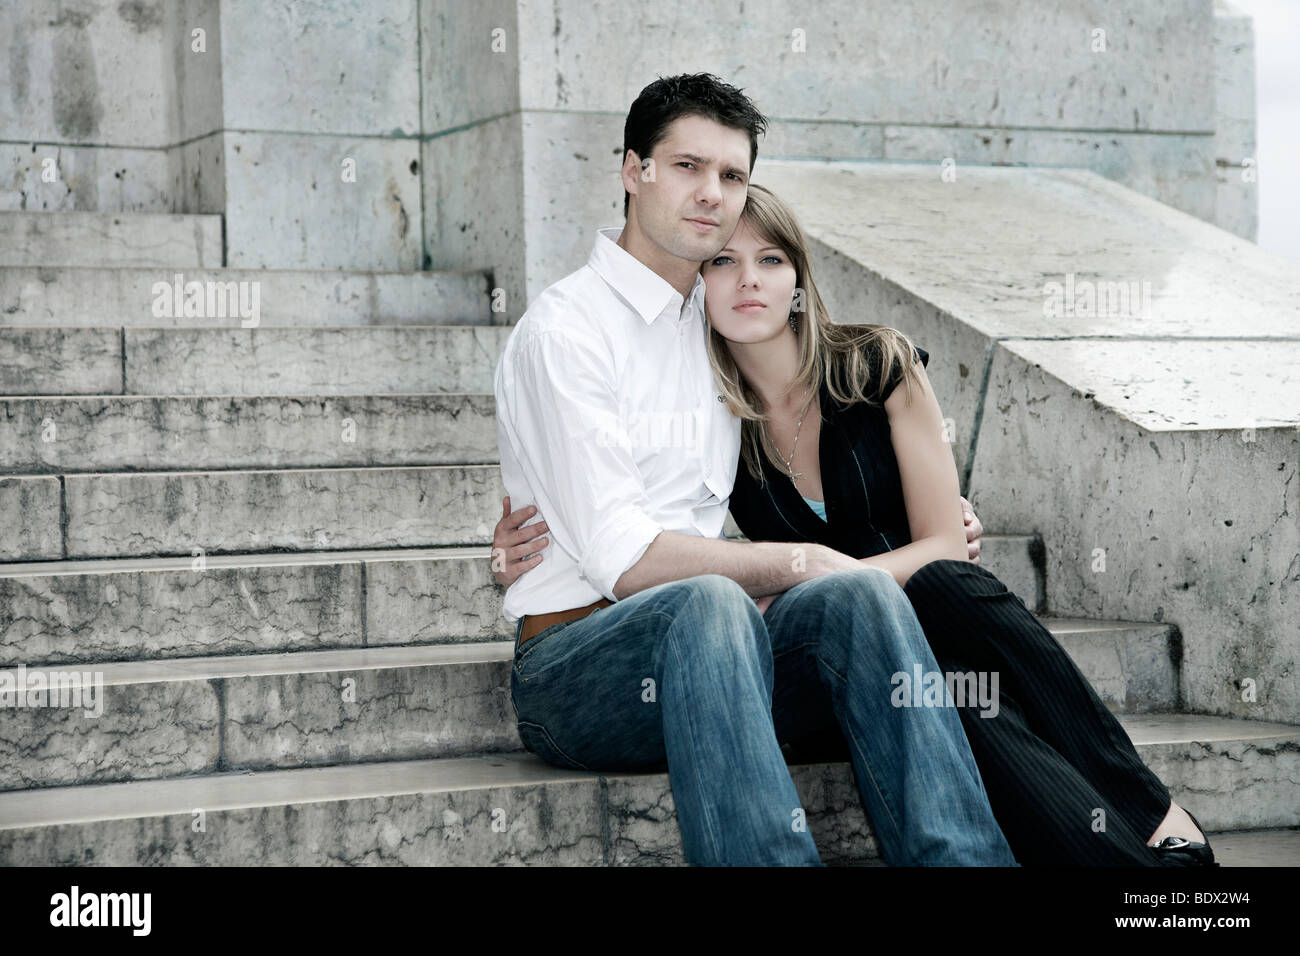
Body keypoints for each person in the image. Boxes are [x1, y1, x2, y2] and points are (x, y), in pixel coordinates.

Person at [495, 178, 1218, 868]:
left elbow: (942, 548)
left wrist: (816, 572)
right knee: (954, 698)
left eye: (770, 260)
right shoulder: (720, 412)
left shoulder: (877, 364)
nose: (748, 279)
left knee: (940, 595)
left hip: (906, 608)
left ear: (799, 281)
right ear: (699, 285)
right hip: (835, 636)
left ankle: (1147, 818)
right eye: (724, 262)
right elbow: (607, 505)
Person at [492, 72, 1016, 866]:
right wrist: (799, 561)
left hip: (725, 654)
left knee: (856, 598)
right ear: (632, 171)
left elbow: (813, 424)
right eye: (686, 167)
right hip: (579, 670)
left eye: (731, 175)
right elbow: (623, 556)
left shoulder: (710, 329)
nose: (711, 193)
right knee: (709, 602)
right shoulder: (567, 332)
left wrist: (936, 503)